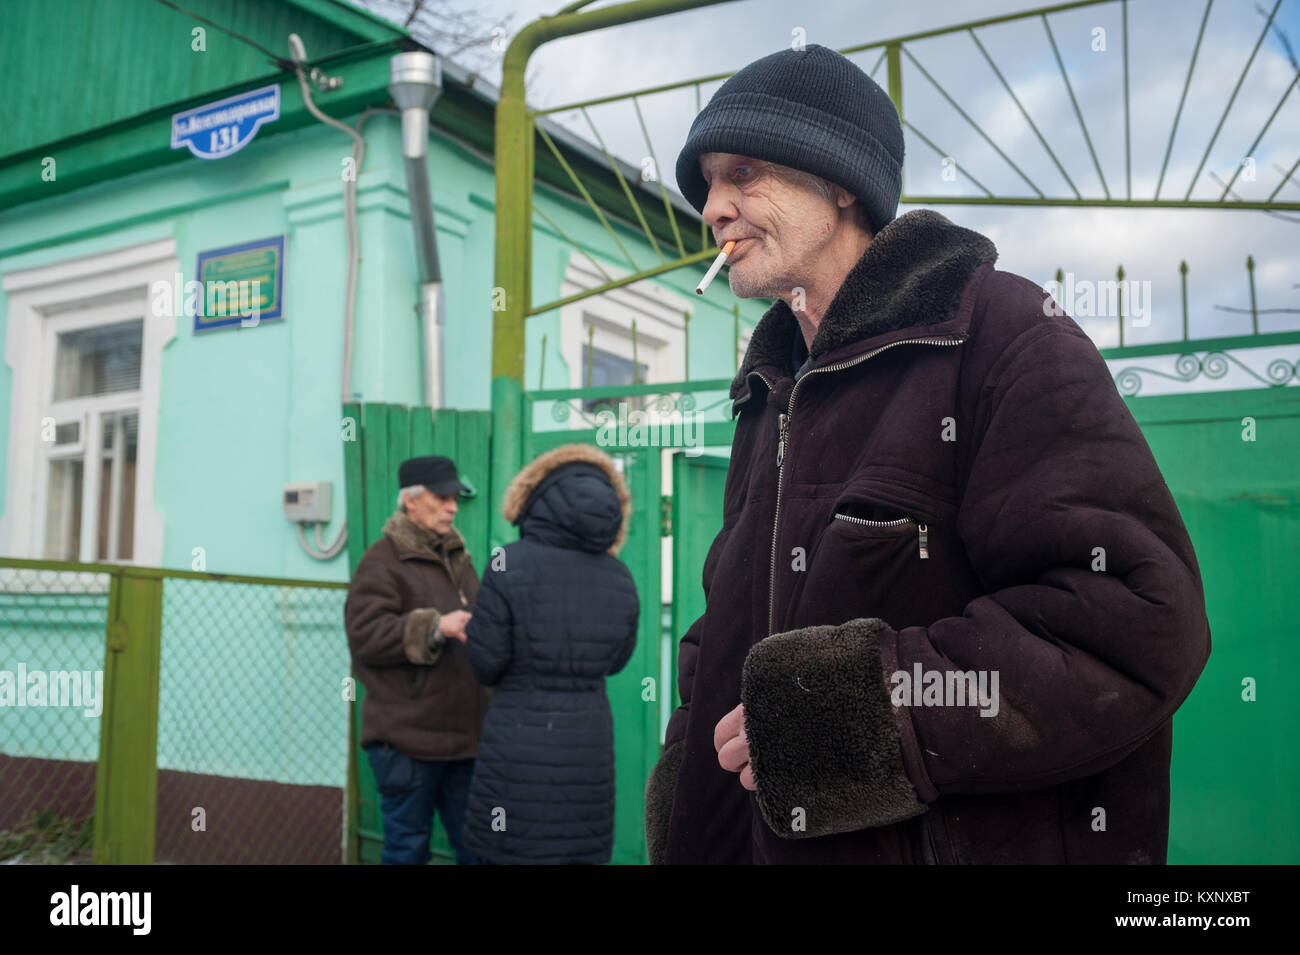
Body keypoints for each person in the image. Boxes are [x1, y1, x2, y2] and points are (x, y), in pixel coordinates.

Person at [646, 44, 1212, 864]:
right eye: (707, 184)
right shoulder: (770, 387)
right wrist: (685, 776)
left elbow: (1131, 621)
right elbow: (728, 620)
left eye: (743, 173)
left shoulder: (1002, 333)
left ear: (841, 182)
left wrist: (847, 716)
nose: (713, 208)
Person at [462, 443, 639, 864]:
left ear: (533, 500)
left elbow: (486, 664)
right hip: (589, 744)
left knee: (510, 849)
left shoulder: (508, 562)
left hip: (517, 741)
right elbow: (616, 662)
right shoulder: (620, 577)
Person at [344, 455, 490, 865]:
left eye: (454, 497)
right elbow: (364, 635)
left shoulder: (457, 555)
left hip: (465, 741)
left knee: (480, 851)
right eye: (441, 497)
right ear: (410, 501)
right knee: (406, 852)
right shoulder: (382, 560)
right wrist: (434, 626)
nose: (452, 506)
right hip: (406, 743)